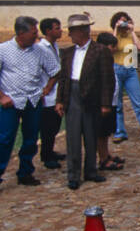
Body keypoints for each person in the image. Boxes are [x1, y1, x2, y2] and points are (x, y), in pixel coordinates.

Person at [55, 13, 115, 190]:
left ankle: (91, 170)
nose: (70, 35)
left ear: (82, 31)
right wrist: (60, 100)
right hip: (72, 95)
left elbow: (107, 79)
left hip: (91, 97)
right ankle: (73, 174)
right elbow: (63, 79)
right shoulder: (67, 52)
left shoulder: (100, 51)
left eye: (72, 31)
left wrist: (106, 103)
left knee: (91, 135)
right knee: (72, 138)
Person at [0, 15, 59, 189]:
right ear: (20, 32)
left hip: (33, 101)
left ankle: (25, 171)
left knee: (31, 139)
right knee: (5, 139)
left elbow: (55, 71)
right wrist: (2, 96)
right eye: (33, 32)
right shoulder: (4, 50)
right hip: (10, 102)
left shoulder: (40, 51)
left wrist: (47, 89)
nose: (36, 36)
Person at [109, 11, 140, 144]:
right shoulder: (114, 35)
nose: (123, 23)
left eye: (125, 21)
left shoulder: (130, 35)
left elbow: (139, 47)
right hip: (117, 69)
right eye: (121, 21)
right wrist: (116, 29)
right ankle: (119, 132)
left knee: (138, 103)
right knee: (117, 104)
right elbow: (111, 48)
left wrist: (132, 31)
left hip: (130, 70)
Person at [95, 33, 126, 170]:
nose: (115, 49)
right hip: (104, 103)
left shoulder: (109, 61)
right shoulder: (99, 62)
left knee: (106, 132)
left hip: (112, 101)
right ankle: (102, 158)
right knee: (101, 132)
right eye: (113, 46)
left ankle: (106, 154)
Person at [38, 17, 65, 169]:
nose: (60, 30)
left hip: (55, 93)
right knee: (48, 127)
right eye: (57, 28)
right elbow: (54, 71)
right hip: (47, 93)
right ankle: (46, 155)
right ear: (48, 30)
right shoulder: (42, 48)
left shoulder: (54, 45)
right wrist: (47, 88)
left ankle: (50, 151)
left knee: (55, 126)